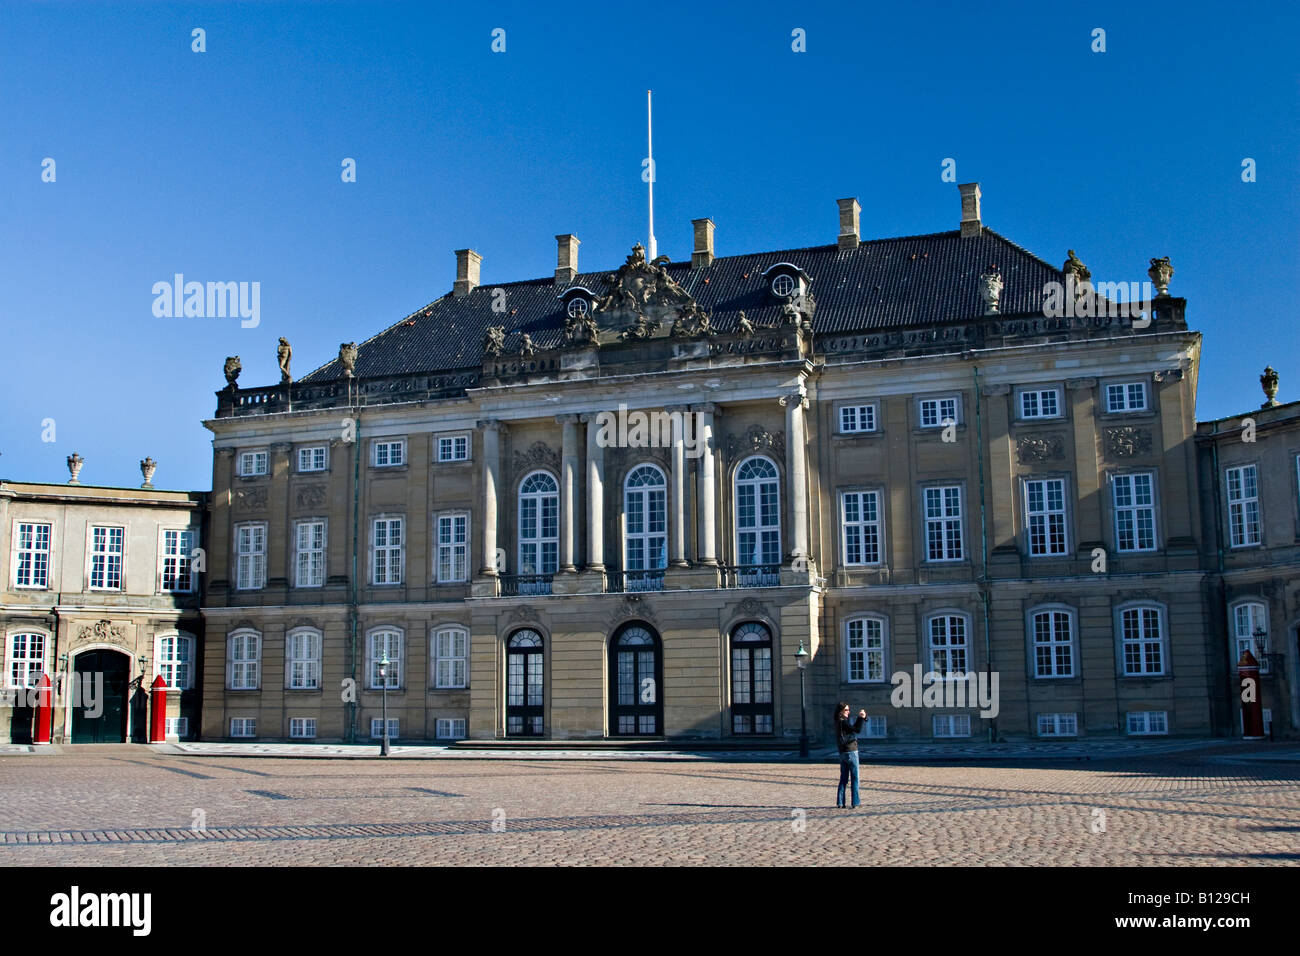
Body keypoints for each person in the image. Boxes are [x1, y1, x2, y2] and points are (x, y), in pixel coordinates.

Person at [834, 701, 867, 808]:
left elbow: (853, 728)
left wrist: (861, 718)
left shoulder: (837, 721)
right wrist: (861, 718)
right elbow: (857, 730)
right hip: (851, 751)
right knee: (855, 778)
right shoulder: (843, 722)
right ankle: (856, 802)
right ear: (840, 712)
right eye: (846, 710)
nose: (848, 712)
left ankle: (840, 802)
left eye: (848, 709)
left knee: (843, 778)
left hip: (842, 752)